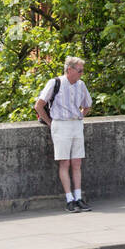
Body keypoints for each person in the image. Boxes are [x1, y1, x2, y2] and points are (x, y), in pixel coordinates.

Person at [35, 56, 93, 211]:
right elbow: (39, 106)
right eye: (79, 70)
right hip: (61, 125)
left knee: (76, 162)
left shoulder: (81, 85)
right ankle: (69, 200)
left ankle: (79, 198)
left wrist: (80, 115)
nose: (81, 74)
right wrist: (50, 122)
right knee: (64, 162)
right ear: (70, 70)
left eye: (82, 71)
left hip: (76, 124)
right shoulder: (55, 83)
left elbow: (88, 104)